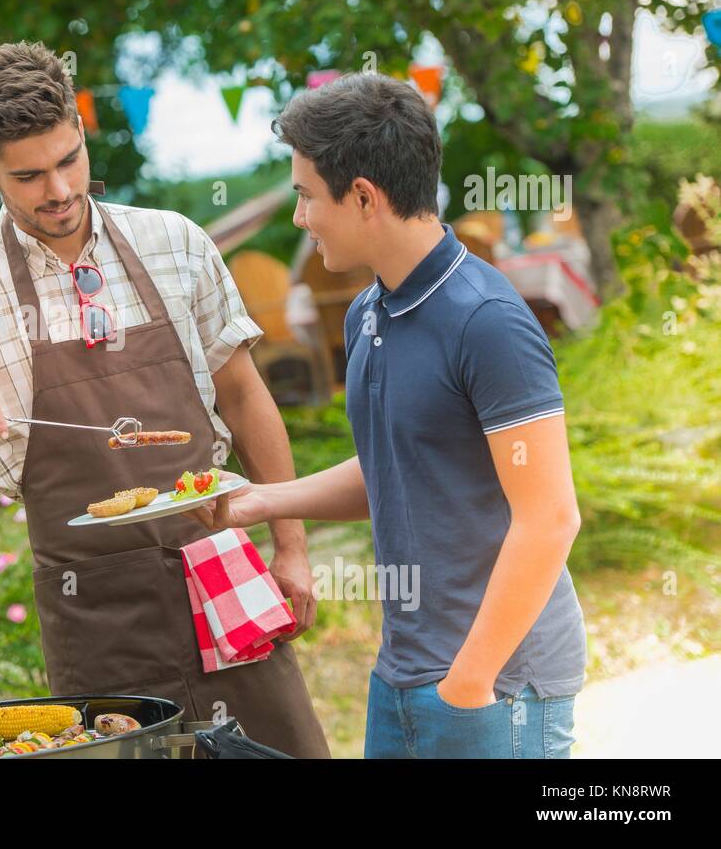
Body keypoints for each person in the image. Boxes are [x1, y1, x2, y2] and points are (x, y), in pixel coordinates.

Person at [0, 41, 330, 757]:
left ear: (83, 135)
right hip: (92, 613)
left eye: (68, 161)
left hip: (219, 569)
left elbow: (246, 398)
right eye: (28, 176)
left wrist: (292, 546)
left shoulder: (176, 244)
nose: (58, 190)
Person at [195, 73, 586, 758]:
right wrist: (259, 500)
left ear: (365, 197)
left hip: (498, 686)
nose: (299, 217)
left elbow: (550, 517)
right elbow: (397, 464)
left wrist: (468, 683)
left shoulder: (488, 320)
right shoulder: (368, 311)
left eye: (306, 196)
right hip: (401, 678)